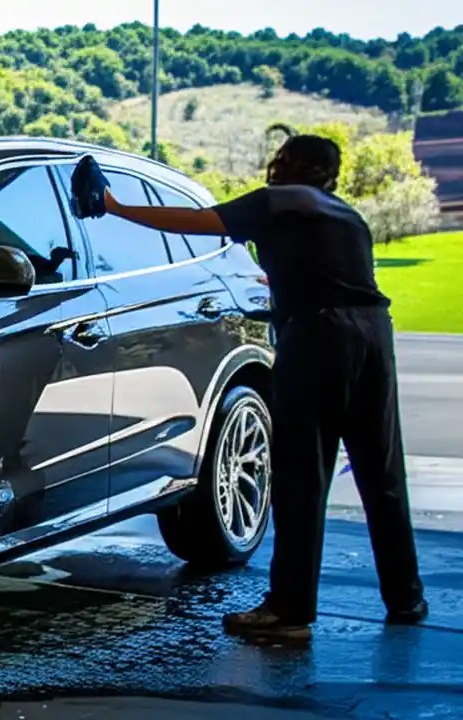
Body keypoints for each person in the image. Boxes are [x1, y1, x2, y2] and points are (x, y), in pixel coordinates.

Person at [82, 135, 428, 642]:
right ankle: (406, 599)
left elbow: (192, 224)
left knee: (301, 476)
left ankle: (289, 611)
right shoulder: (349, 217)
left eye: (281, 157)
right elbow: (329, 279)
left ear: (291, 165)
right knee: (382, 473)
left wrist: (110, 204)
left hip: (318, 337)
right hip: (374, 333)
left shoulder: (275, 201)